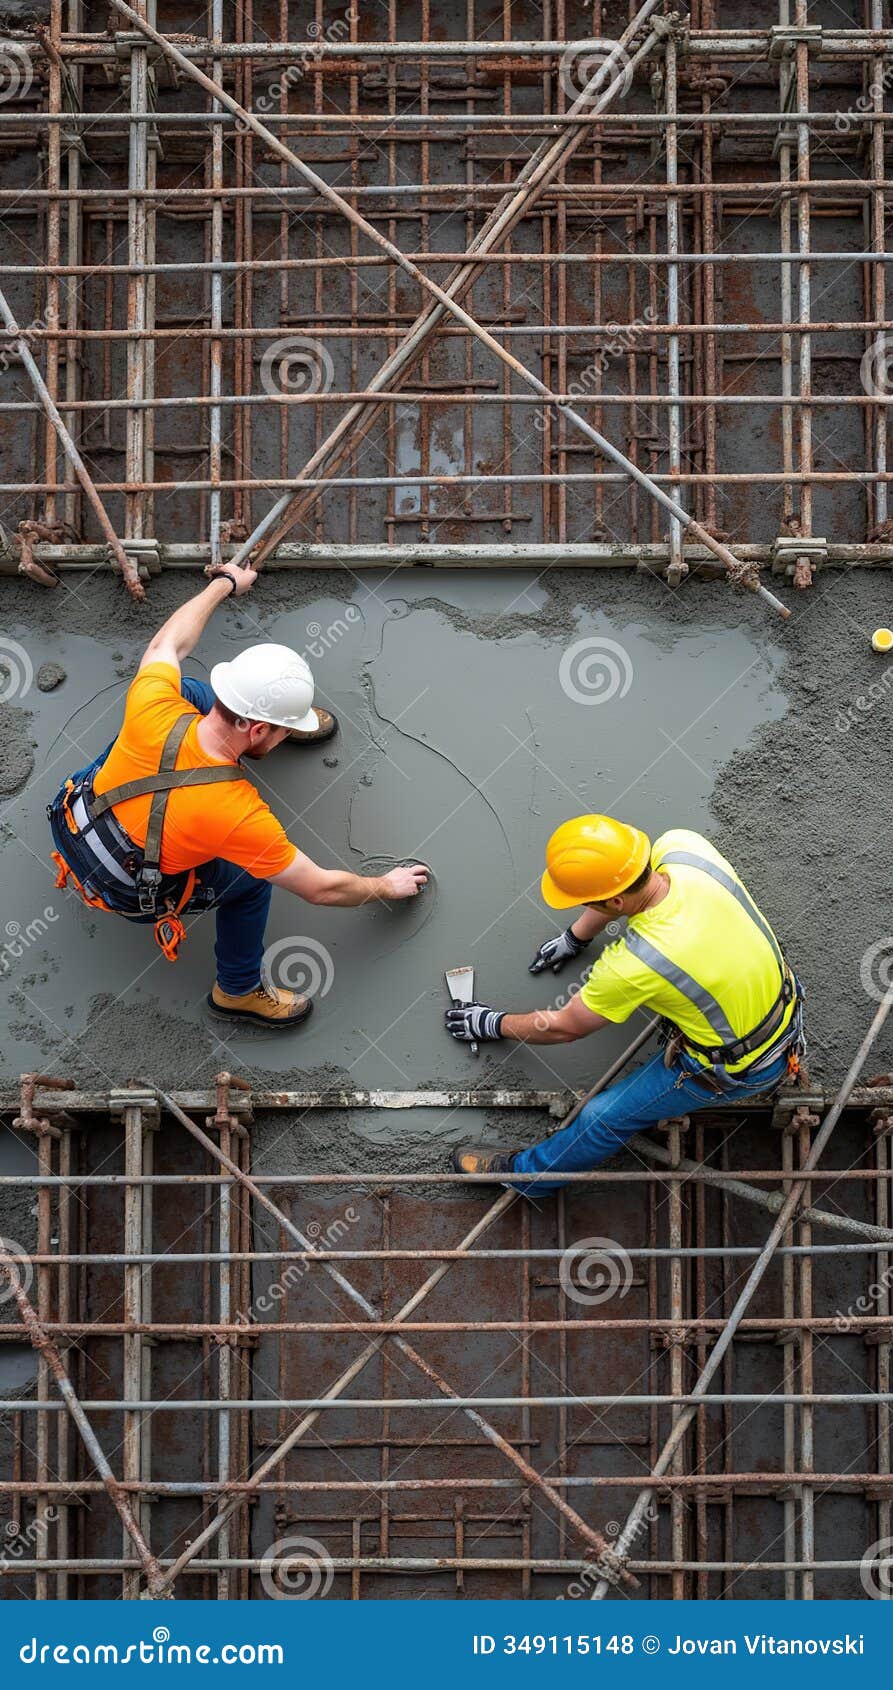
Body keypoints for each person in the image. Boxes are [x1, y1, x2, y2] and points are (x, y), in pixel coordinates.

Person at [48, 563, 427, 1028]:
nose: (283, 737)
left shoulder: (152, 704)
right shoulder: (240, 814)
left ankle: (245, 715)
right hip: (126, 883)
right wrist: (385, 886)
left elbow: (166, 644)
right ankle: (238, 990)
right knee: (250, 883)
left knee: (182, 690)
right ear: (259, 729)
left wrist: (223, 584)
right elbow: (320, 888)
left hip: (76, 820)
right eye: (283, 729)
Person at [446, 814, 803, 1190]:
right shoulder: (683, 847)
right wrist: (576, 937)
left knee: (601, 1118)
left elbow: (565, 1027)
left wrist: (491, 1023)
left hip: (747, 1065)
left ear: (615, 900)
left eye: (587, 903)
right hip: (779, 1003)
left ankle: (525, 1178)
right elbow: (620, 892)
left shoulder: (635, 962)